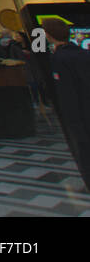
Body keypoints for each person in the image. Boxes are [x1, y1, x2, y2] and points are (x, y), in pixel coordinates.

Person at [46, 19, 90, 190]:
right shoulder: (83, 53)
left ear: (48, 35)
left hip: (79, 114)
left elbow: (66, 91)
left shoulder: (59, 58)